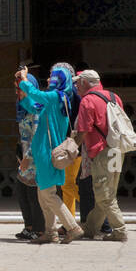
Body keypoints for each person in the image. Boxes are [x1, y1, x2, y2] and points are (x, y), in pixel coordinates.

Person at [16, 65, 84, 244]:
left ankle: (72, 227)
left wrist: (24, 79)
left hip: (47, 153)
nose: (49, 80)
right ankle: (50, 232)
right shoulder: (58, 100)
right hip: (45, 153)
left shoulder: (56, 97)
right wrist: (23, 97)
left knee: (49, 195)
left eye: (52, 77)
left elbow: (37, 95)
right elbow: (36, 106)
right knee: (43, 194)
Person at [75, 69, 128, 242]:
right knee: (106, 192)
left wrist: (71, 146)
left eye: (78, 83)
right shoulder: (114, 97)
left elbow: (83, 130)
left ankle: (119, 230)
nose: (76, 86)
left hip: (101, 152)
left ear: (84, 83)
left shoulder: (87, 101)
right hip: (117, 150)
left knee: (104, 194)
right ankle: (90, 229)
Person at [14, 73, 46, 240]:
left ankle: (40, 230)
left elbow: (36, 136)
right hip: (25, 159)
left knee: (34, 196)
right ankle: (29, 226)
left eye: (21, 89)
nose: (18, 92)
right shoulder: (23, 107)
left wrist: (28, 157)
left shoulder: (36, 109)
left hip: (34, 159)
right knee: (22, 191)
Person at [53, 61, 82, 223]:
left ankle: (96, 207)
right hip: (69, 143)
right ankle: (69, 221)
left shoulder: (67, 95)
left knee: (67, 184)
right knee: (66, 184)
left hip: (70, 145)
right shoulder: (72, 93)